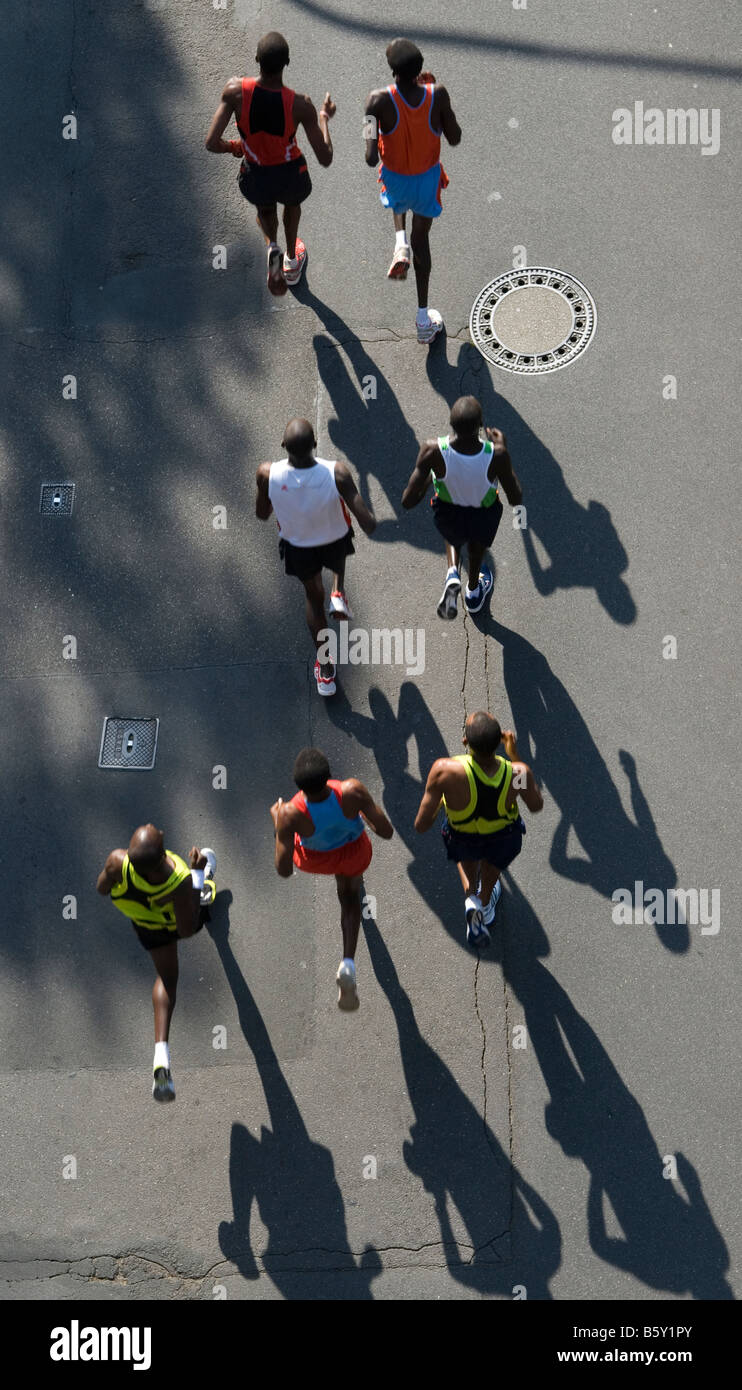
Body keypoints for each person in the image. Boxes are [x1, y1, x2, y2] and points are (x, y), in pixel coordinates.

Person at [205, 31, 335, 295]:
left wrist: (234, 147)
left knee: (265, 210)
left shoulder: (234, 92)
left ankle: (272, 247)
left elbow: (211, 142)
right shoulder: (300, 104)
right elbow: (325, 156)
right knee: (292, 206)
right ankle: (290, 258)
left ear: (256, 59)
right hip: (290, 175)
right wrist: (323, 118)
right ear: (287, 62)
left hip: (256, 174)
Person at [256, 417, 376, 696]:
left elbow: (262, 514)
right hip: (333, 538)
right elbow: (366, 521)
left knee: (312, 597)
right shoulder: (337, 473)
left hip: (298, 545)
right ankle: (338, 591)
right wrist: (370, 520)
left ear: (284, 445)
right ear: (315, 444)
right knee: (338, 555)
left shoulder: (267, 474)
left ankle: (325, 668)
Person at [96, 825, 216, 1101]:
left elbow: (102, 888)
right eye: (156, 833)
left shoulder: (117, 862)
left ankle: (161, 1054)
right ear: (163, 855)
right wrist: (195, 873)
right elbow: (187, 929)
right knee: (199, 898)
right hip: (173, 921)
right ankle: (206, 881)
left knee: (166, 981)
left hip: (145, 926)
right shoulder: (180, 880)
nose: (158, 827)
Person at [270, 748, 393, 1009]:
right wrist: (362, 817)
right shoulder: (351, 791)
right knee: (349, 894)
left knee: (344, 888)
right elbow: (385, 831)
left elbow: (283, 869)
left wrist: (279, 825)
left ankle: (348, 888)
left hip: (318, 859)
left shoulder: (290, 813)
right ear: (328, 775)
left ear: (298, 784)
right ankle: (348, 961)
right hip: (354, 853)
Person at [414, 713, 542, 947]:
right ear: (500, 743)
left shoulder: (444, 771)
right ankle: (485, 905)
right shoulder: (518, 772)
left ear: (465, 741)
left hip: (463, 837)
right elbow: (535, 805)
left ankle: (471, 900)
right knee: (492, 873)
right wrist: (514, 755)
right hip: (503, 838)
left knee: (467, 862)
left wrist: (442, 802)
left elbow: (421, 825)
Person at [364, 38, 461, 343]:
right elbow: (455, 137)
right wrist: (440, 104)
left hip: (395, 178)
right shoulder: (437, 94)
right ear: (420, 69)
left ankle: (398, 242)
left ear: (391, 69)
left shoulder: (375, 101)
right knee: (424, 240)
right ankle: (423, 318)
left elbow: (370, 157)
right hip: (426, 181)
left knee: (397, 198)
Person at [401, 395, 523, 617]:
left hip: (448, 509)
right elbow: (515, 497)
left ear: (451, 424)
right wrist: (503, 449)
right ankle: (474, 591)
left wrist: (431, 475)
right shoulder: (496, 455)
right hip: (483, 514)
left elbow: (407, 501)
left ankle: (452, 573)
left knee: (453, 531)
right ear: (480, 425)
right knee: (476, 551)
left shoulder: (432, 450)